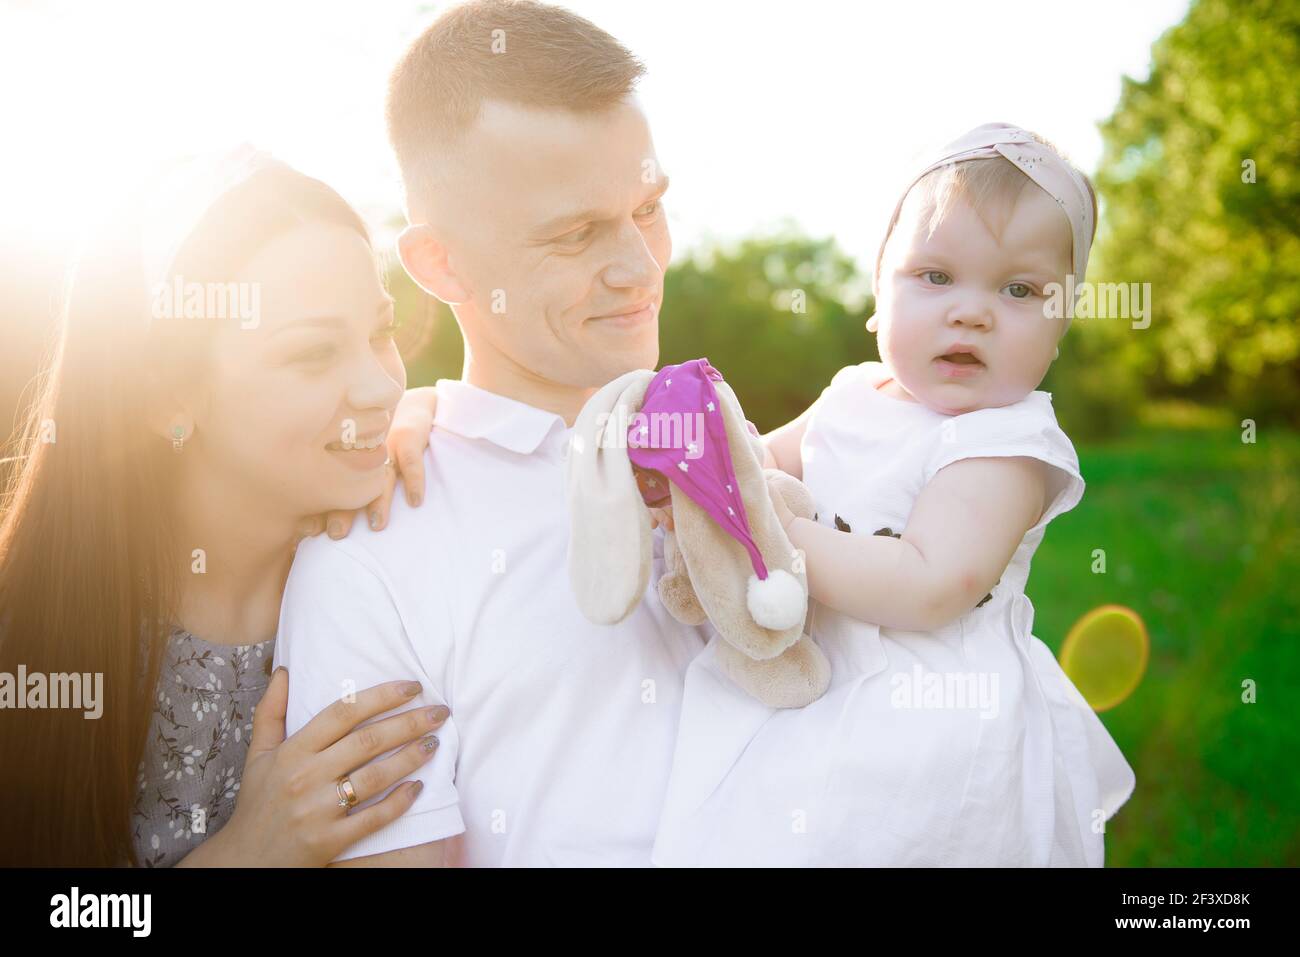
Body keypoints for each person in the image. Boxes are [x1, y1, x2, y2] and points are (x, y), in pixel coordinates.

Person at [275, 0, 708, 866]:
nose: (639, 266)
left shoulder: (725, 451)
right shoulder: (374, 548)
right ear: (440, 265)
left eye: (648, 208)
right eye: (577, 232)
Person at [650, 124, 1137, 866]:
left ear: (1061, 324)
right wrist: (694, 459)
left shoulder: (1006, 442)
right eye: (935, 276)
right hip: (811, 671)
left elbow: (930, 581)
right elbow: (762, 464)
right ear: (879, 291)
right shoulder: (851, 392)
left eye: (1018, 290)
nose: (971, 311)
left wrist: (765, 531)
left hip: (928, 720)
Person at [0, 147, 448, 867]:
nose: (379, 387)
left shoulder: (407, 556)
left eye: (380, 333)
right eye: (311, 354)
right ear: (167, 396)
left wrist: (456, 432)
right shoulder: (30, 647)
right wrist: (249, 853)